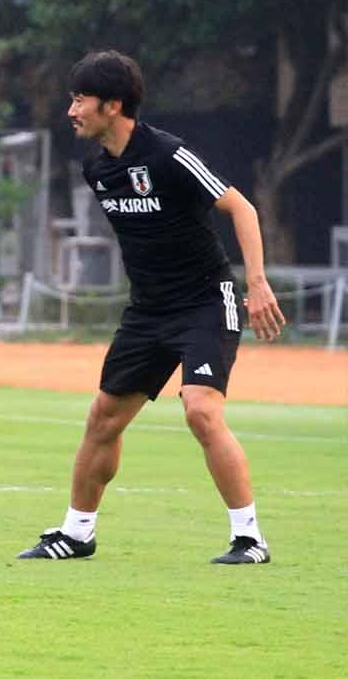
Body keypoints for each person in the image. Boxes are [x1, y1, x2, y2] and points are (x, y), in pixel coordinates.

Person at [17, 50, 286, 565]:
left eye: (80, 99)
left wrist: (257, 283)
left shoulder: (168, 155)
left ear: (112, 105)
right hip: (148, 311)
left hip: (206, 300)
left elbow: (241, 207)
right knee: (104, 418)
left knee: (201, 411)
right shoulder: (97, 169)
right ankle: (77, 533)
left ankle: (250, 538)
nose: (71, 109)